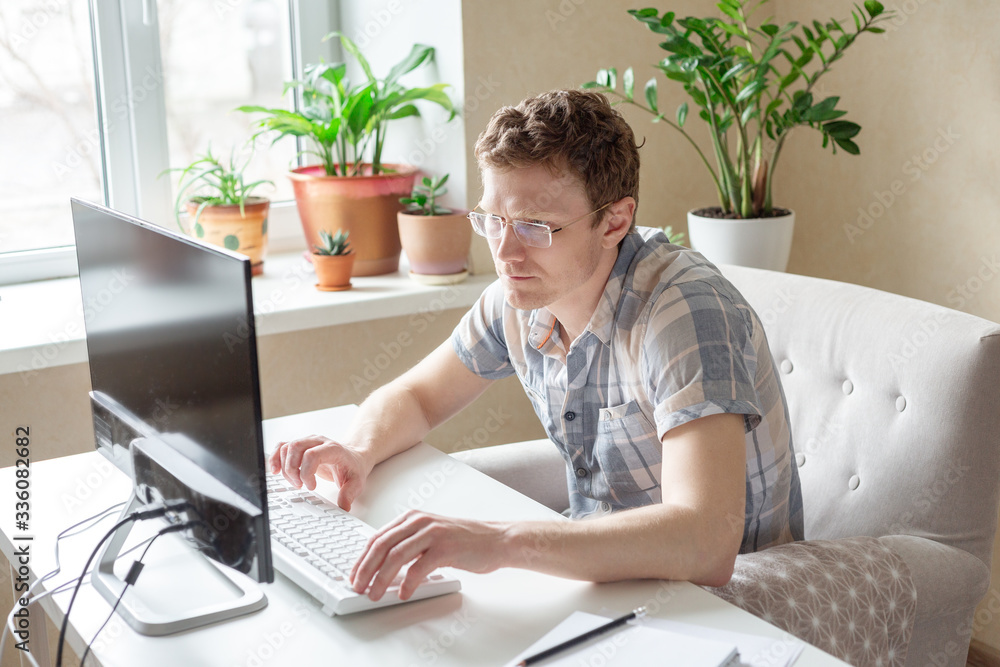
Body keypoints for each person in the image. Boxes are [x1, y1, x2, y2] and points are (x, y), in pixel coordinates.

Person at [270, 89, 803, 603]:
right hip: (613, 580)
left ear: (614, 222)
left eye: (534, 227)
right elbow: (417, 397)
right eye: (492, 221)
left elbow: (704, 540)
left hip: (727, 599)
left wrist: (500, 542)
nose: (505, 253)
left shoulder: (683, 314)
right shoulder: (520, 298)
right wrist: (358, 450)